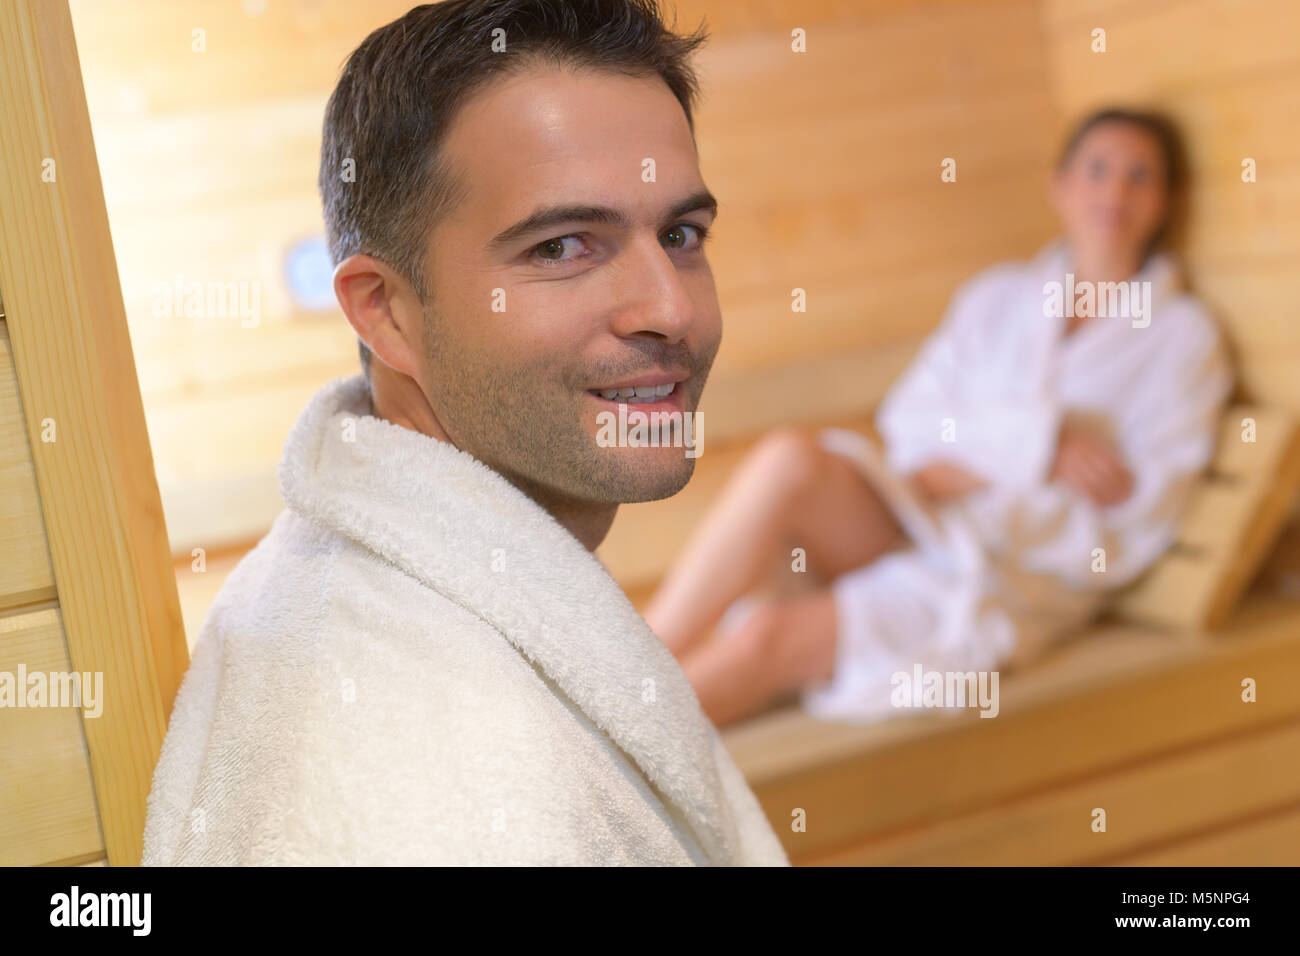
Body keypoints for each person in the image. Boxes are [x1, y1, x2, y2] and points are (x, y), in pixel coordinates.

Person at [141, 0, 789, 866]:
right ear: (387, 312)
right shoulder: (416, 769)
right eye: (562, 247)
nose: (671, 309)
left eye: (680, 235)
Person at [644, 108, 1234, 728]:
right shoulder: (998, 299)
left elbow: (1139, 512)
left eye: (1140, 176)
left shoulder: (1182, 340)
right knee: (787, 458)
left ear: (1165, 201)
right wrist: (1042, 447)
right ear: (1060, 186)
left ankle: (604, 760)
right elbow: (913, 425)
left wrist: (978, 464)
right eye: (1097, 169)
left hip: (1008, 574)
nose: (1114, 191)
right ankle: (629, 663)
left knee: (764, 636)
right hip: (919, 513)